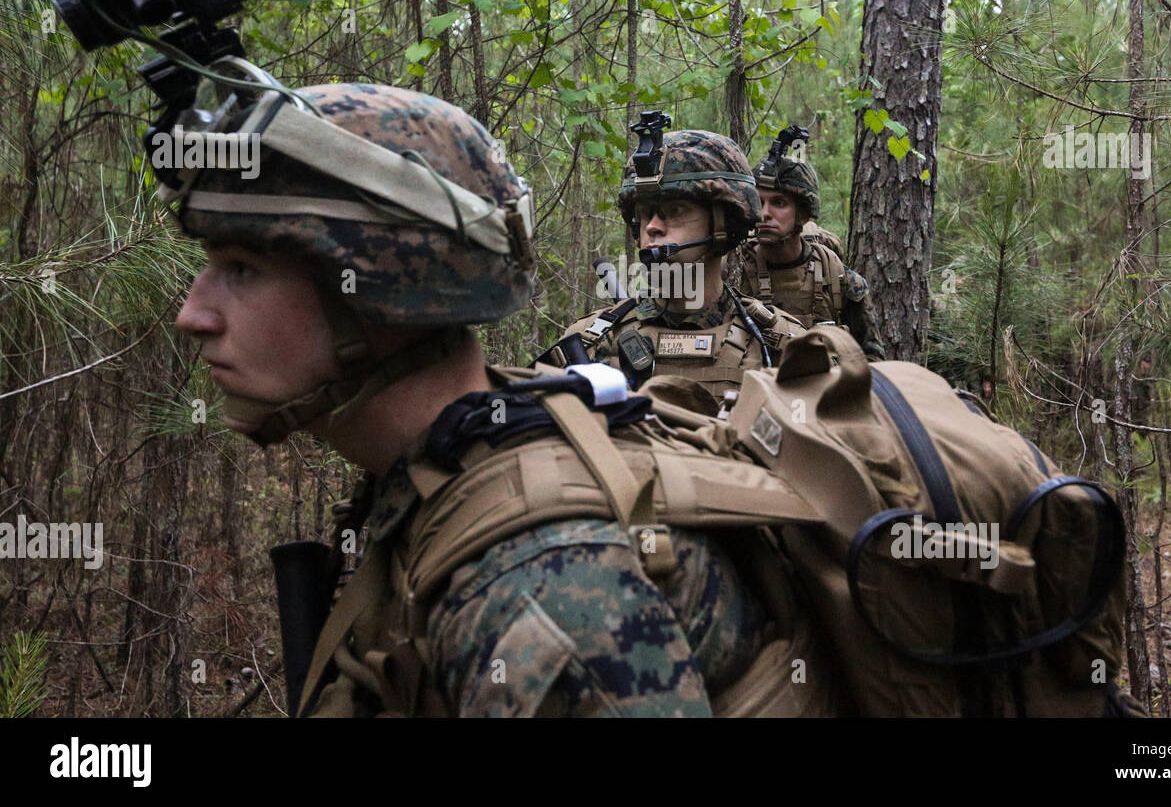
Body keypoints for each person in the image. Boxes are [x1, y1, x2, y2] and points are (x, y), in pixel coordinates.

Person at [173, 83, 809, 717]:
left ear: (386, 284)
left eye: (242, 270)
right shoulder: (440, 477)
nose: (192, 314)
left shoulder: (549, 594)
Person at [557, 116, 805, 409]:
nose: (653, 227)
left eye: (674, 211)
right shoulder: (586, 343)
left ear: (724, 224)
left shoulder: (782, 345)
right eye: (646, 214)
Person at [731, 126, 882, 355]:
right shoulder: (733, 272)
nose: (765, 213)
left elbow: (872, 358)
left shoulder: (839, 281)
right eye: (759, 202)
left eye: (779, 203)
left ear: (803, 214)